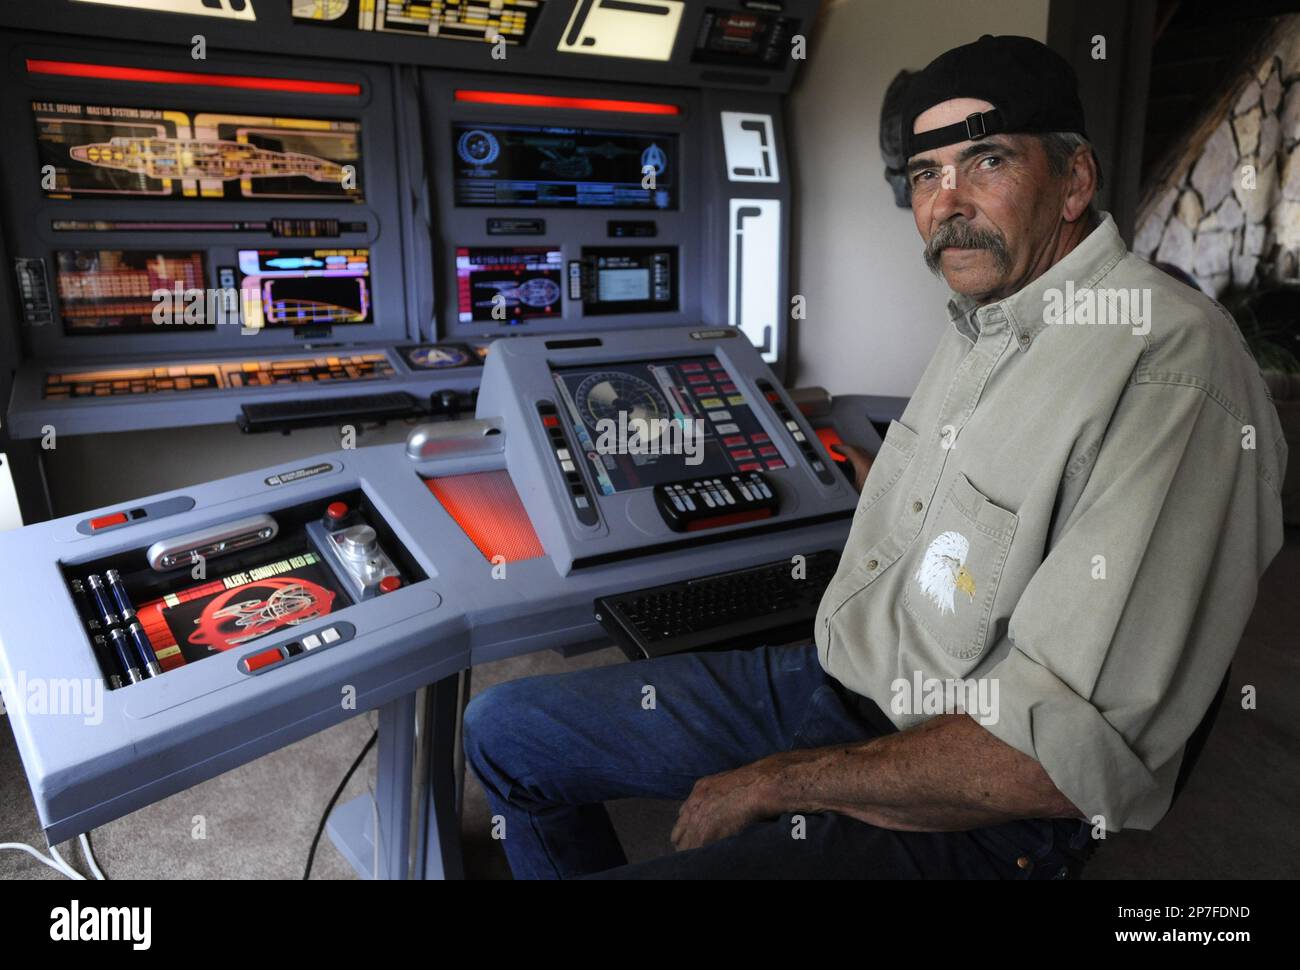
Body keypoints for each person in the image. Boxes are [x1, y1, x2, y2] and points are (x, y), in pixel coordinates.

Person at [463, 35, 1288, 879]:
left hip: (982, 806)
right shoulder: (987, 314)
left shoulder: (1170, 371)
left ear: (1075, 181)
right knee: (502, 729)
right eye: (927, 174)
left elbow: (1052, 763)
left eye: (987, 160)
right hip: (841, 683)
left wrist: (779, 783)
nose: (947, 203)